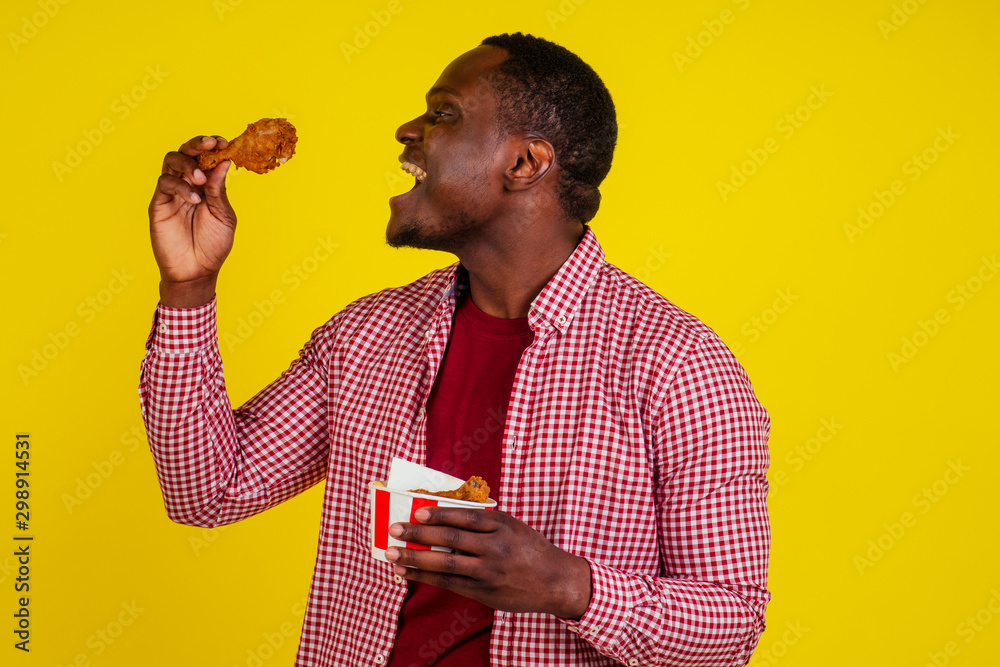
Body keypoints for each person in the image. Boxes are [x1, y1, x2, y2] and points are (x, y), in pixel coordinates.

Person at [140, 32, 771, 667]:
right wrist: (188, 287)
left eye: (443, 113)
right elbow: (208, 491)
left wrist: (568, 586)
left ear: (525, 163)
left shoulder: (679, 367)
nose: (406, 130)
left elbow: (732, 626)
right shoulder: (366, 337)